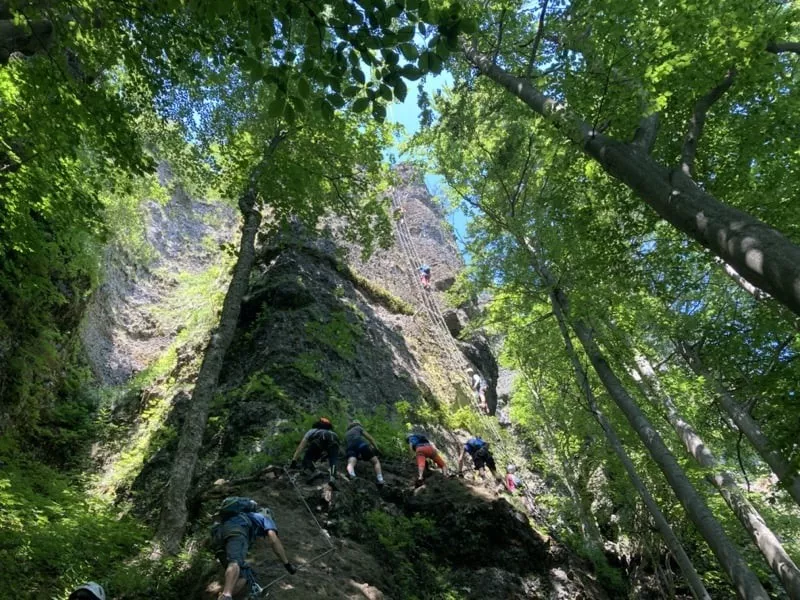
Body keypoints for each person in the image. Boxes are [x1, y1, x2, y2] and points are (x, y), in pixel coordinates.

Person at [211, 497, 296, 600]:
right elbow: (274, 541)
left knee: (243, 577)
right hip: (236, 532)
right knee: (235, 562)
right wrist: (287, 564)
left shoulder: (244, 515)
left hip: (218, 535)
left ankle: (223, 597)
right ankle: (226, 595)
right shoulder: (265, 518)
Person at [290, 417, 340, 485]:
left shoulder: (313, 430)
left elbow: (301, 447)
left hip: (321, 438)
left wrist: (294, 460)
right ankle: (332, 477)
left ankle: (315, 471)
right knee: (333, 459)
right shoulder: (332, 432)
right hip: (335, 438)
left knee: (307, 458)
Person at [344, 420, 385, 486]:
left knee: (351, 462)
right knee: (375, 461)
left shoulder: (346, 434)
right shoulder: (358, 428)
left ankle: (352, 474)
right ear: (358, 424)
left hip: (350, 447)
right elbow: (370, 438)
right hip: (360, 444)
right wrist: (376, 449)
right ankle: (380, 479)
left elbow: (346, 444)